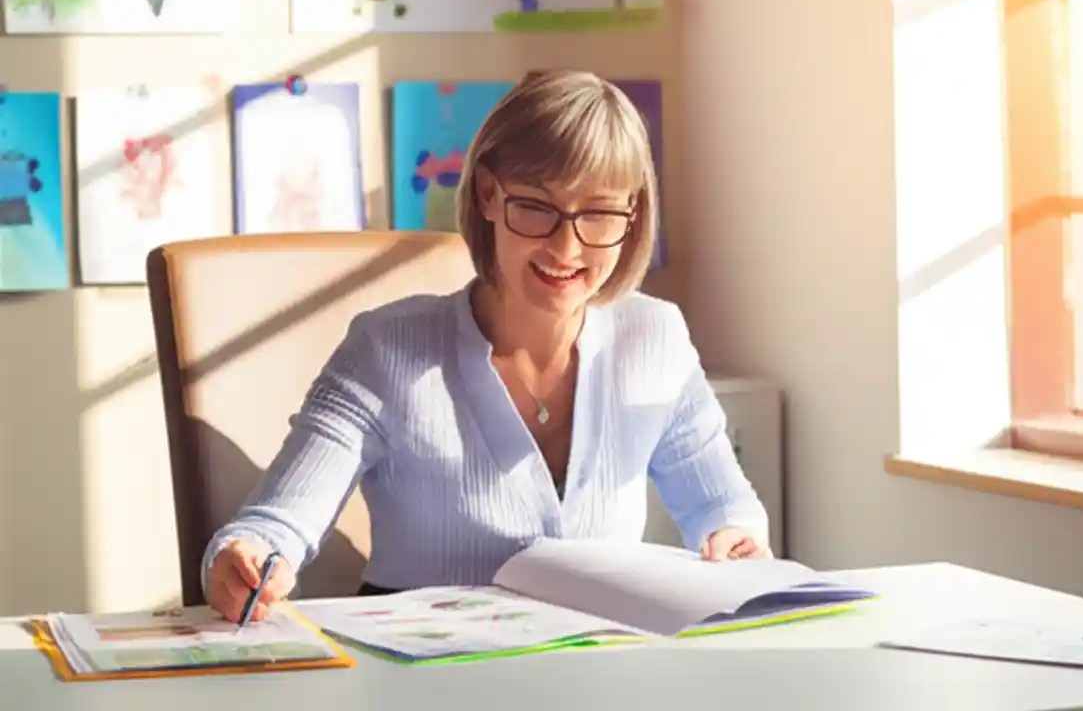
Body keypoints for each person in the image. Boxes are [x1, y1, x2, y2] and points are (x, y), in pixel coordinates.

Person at [204, 69, 771, 623]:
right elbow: (276, 524)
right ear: (487, 195)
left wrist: (735, 542)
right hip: (426, 675)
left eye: (597, 213)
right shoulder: (389, 349)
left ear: (633, 214)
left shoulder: (656, 338)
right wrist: (247, 559)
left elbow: (723, 508)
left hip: (597, 671)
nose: (565, 247)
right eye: (536, 207)